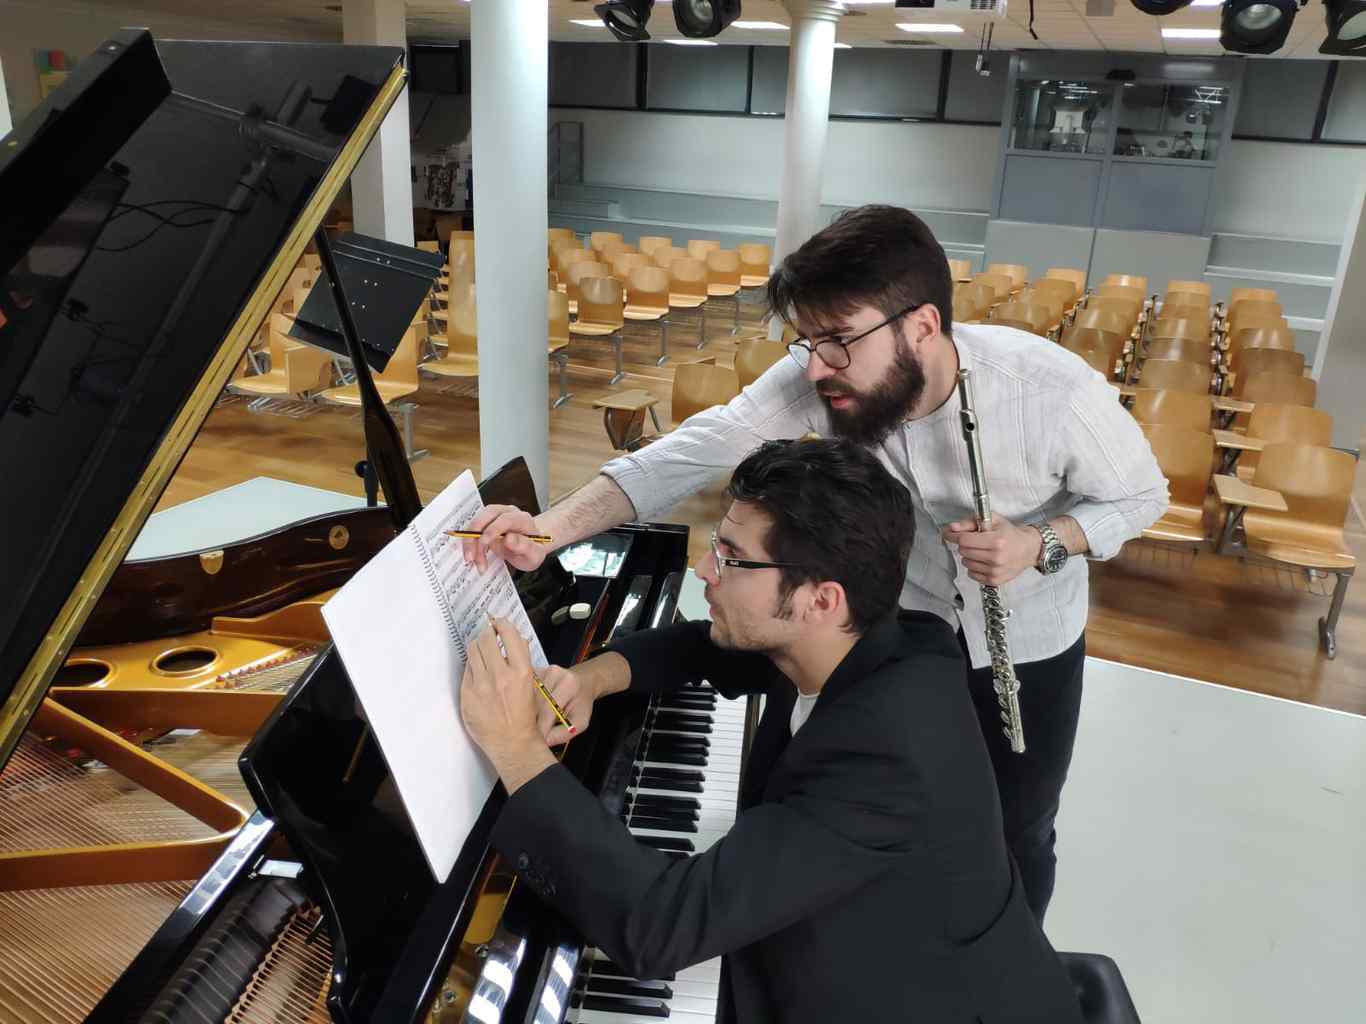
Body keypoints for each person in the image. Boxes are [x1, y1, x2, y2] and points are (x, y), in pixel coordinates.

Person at [464, 204, 1168, 922]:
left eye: (837, 342)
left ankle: (1005, 951)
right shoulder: (825, 372)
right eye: (806, 342)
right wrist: (550, 529)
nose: (814, 366)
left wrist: (1043, 543)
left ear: (922, 326)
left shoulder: (1051, 391)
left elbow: (1143, 496)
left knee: (1021, 822)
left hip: (1029, 641)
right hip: (901, 624)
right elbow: (699, 447)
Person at [461, 438, 1084, 1024]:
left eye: (732, 558)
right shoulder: (868, 638)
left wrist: (516, 751)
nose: (705, 568)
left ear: (820, 599)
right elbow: (709, 647)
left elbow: (658, 927)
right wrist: (592, 678)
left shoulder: (887, 759)